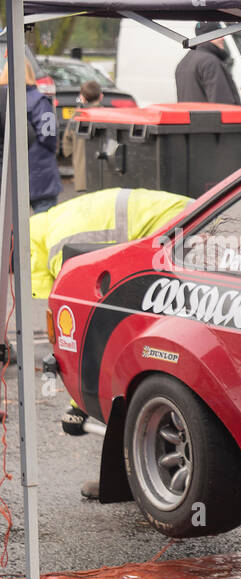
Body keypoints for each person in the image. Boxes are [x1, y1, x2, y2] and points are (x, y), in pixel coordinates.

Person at [33, 187, 192, 501]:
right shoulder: (50, 227)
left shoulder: (59, 248)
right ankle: (148, 467)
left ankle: (148, 472)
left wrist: (81, 405)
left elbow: (88, 335)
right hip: (187, 226)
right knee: (144, 351)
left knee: (138, 351)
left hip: (185, 231)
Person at [30, 186, 191, 299]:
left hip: (181, 222)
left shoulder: (58, 250)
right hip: (184, 211)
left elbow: (81, 299)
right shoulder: (54, 220)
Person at [1, 54, 60, 211]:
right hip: (39, 171)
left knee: (8, 228)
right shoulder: (38, 101)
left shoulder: (2, 100)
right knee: (44, 223)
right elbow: (49, 134)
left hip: (8, 173)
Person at [174, 21, 241, 104]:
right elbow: (222, 104)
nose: (223, 38)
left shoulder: (184, 62)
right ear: (209, 36)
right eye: (219, 34)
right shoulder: (210, 62)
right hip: (210, 117)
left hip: (193, 116)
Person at [60, 78, 102, 194]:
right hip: (102, 176)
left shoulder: (77, 116)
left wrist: (71, 155)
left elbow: (67, 142)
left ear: (82, 97)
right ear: (101, 96)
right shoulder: (105, 115)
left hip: (82, 178)